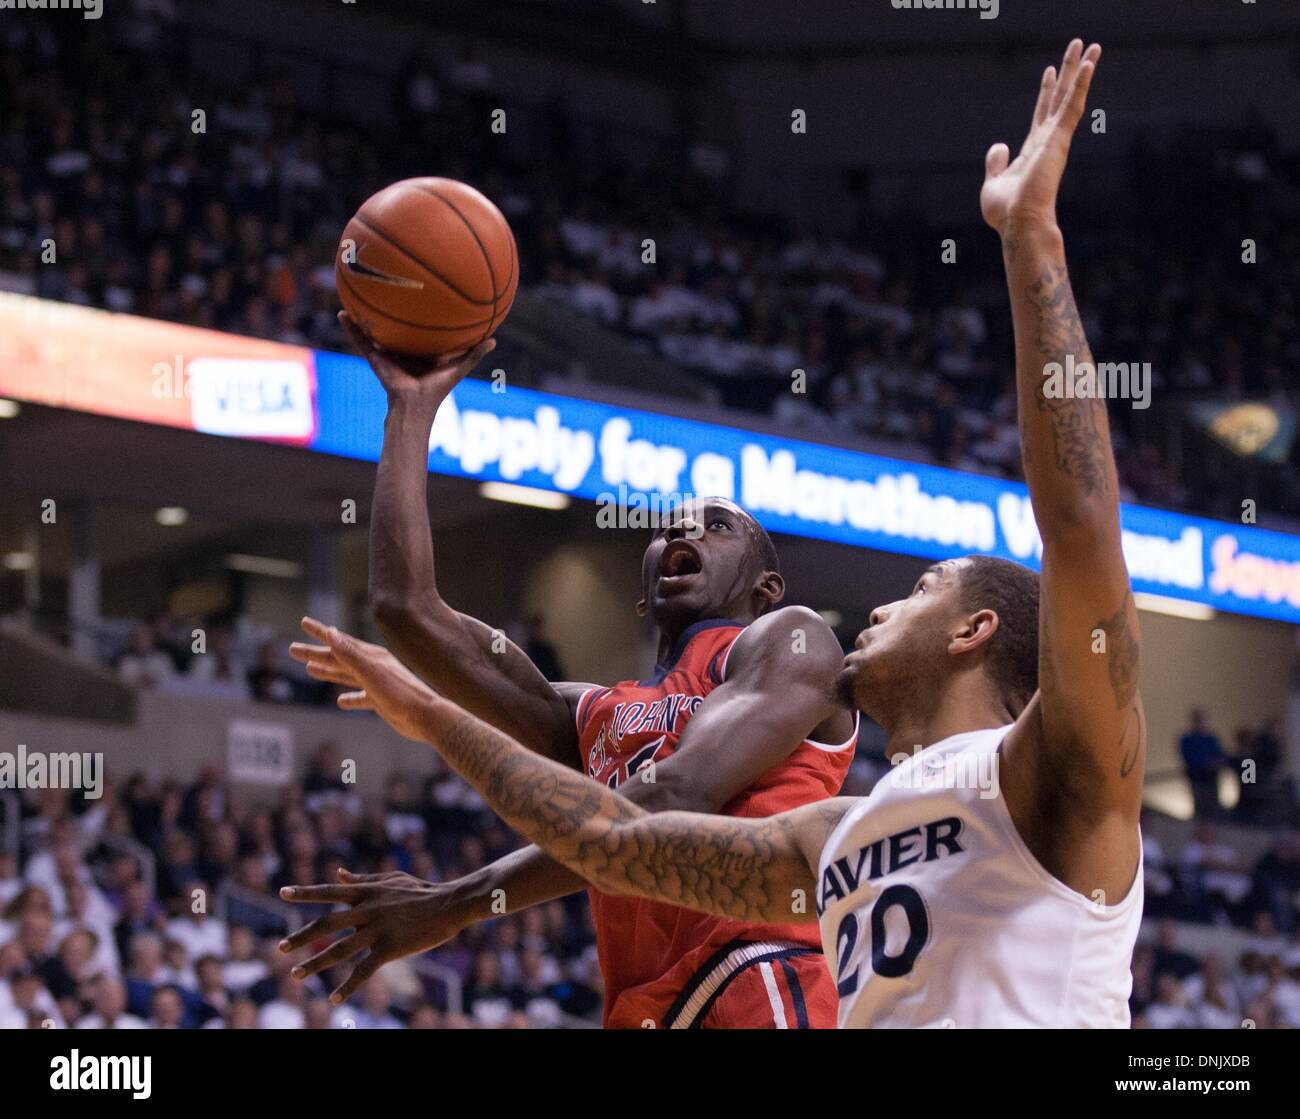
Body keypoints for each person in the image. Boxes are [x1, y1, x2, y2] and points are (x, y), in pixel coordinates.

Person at [284, 41, 1145, 1029]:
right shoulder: (843, 836)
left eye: (918, 589)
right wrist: (407, 416)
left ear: (972, 630)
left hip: (746, 986)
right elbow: (615, 846)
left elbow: (1079, 524)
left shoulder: (1051, 767)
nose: (878, 602)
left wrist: (1030, 237)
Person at [280, 321, 857, 1029]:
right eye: (668, 527)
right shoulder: (590, 715)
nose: (681, 533)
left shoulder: (792, 639)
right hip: (644, 1009)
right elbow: (408, 610)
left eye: (713, 526)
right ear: (643, 594)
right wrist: (408, 411)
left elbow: (669, 801)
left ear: (765, 586)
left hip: (757, 973)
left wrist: (455, 901)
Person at [1179, 708, 1228, 819]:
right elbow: (1190, 759)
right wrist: (1206, 764)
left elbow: (1220, 755)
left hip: (1211, 779)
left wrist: (1216, 764)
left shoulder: (1211, 738)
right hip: (1197, 779)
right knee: (1201, 808)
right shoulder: (1187, 739)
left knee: (1213, 809)